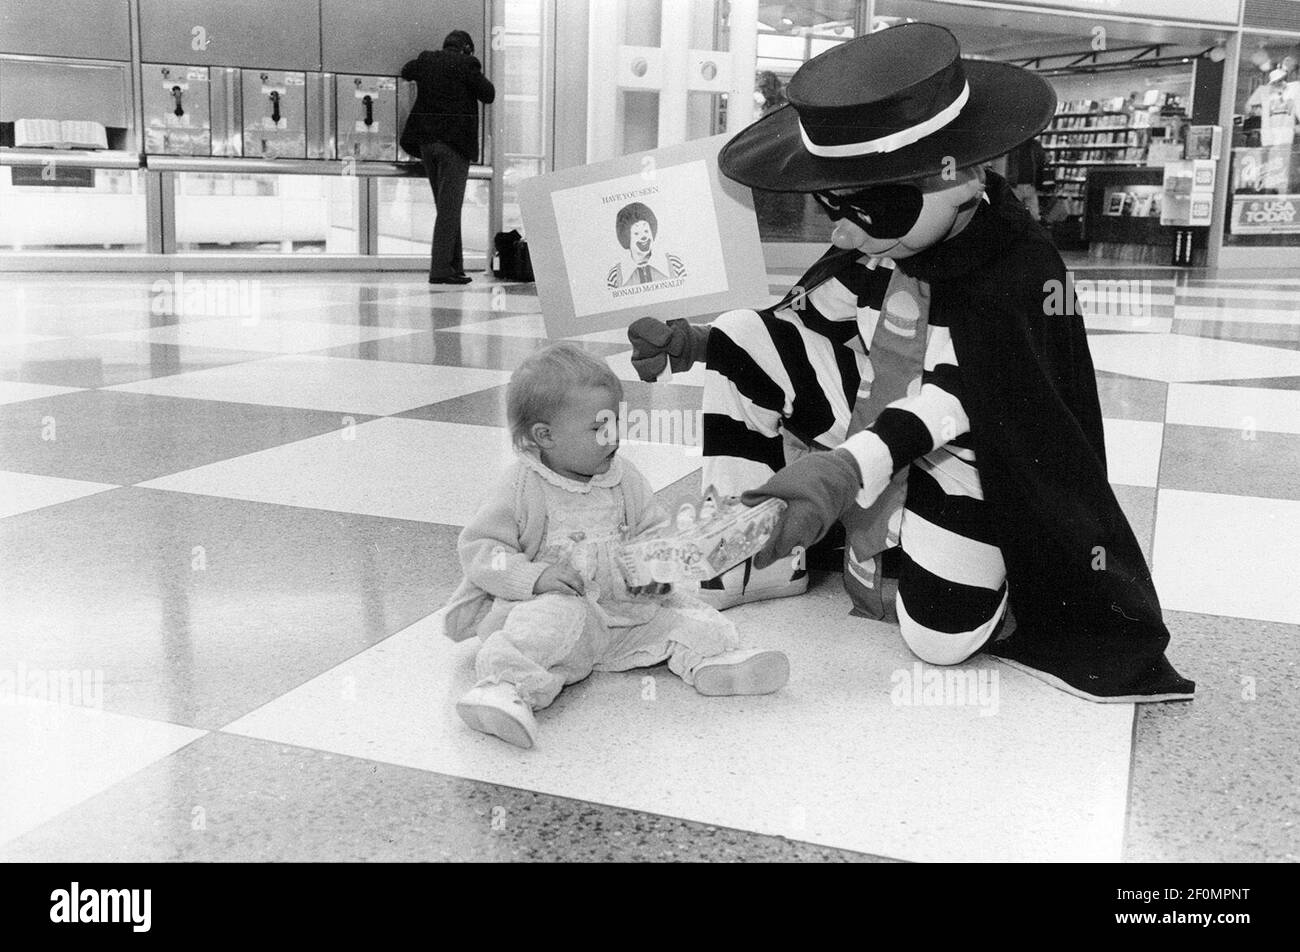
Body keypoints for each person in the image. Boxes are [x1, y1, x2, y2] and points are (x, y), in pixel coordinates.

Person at [627, 23, 1193, 703]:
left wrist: (841, 472)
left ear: (958, 182)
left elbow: (954, 399)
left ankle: (985, 562)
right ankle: (754, 547)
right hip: (872, 413)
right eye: (831, 206)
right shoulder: (874, 250)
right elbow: (803, 322)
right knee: (749, 332)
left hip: (962, 458)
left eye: (863, 209)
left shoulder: (1014, 270)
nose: (840, 231)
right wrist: (694, 342)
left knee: (937, 637)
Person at [436, 343, 790, 749]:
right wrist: (535, 578)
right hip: (562, 613)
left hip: (626, 612)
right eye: (598, 426)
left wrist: (660, 566)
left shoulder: (624, 479)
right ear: (545, 436)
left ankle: (714, 660)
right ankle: (504, 687)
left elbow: (652, 529)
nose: (614, 434)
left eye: (616, 421)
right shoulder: (521, 486)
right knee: (547, 623)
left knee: (688, 617)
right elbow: (481, 550)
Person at [400, 30, 496, 284]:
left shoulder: (427, 59)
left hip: (427, 145)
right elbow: (489, 94)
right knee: (449, 210)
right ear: (466, 48)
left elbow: (407, 70)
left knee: (446, 209)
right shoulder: (467, 64)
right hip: (453, 146)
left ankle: (454, 266)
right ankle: (440, 269)